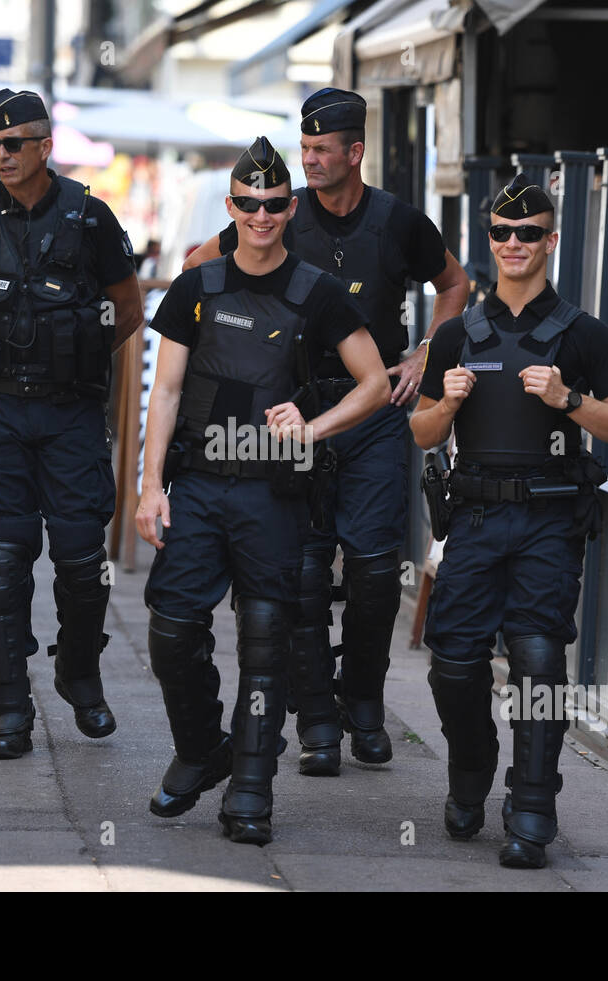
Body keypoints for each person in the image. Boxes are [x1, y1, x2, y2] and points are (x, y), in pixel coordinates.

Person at [185, 88, 470, 776]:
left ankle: (363, 704)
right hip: (292, 417)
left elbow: (455, 285)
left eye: (320, 150)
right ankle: (315, 720)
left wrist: (425, 353)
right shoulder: (279, 212)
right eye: (304, 148)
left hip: (372, 415)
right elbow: (199, 266)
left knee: (374, 572)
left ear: (355, 152)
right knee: (303, 573)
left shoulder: (399, 222)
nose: (308, 160)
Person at [137, 138, 390, 845]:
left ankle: (251, 788)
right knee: (171, 629)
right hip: (197, 487)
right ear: (231, 208)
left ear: (290, 209)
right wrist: (149, 486)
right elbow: (166, 394)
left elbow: (374, 386)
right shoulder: (197, 287)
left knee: (266, 642)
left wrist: (313, 425)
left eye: (275, 204)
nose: (261, 214)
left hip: (274, 499)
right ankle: (199, 749)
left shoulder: (318, 292)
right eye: (248, 204)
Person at [409, 174, 608, 868]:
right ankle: (471, 770)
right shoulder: (456, 334)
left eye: (529, 233)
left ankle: (533, 807)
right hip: (475, 519)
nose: (514, 244)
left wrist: (570, 398)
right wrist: (446, 403)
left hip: (547, 521)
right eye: (502, 234)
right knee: (453, 662)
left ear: (551, 241)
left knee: (539, 661)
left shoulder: (583, 333)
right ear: (489, 242)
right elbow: (422, 433)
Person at [0, 88, 143, 760]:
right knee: (3, 558)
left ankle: (79, 672)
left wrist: (72, 355)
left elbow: (127, 308)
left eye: (12, 144)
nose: (0, 155)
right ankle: (11, 709)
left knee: (83, 560)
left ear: (44, 147)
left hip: (71, 412)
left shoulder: (90, 219)